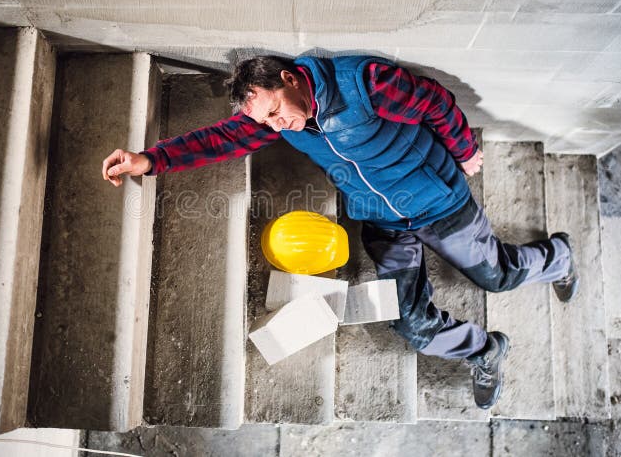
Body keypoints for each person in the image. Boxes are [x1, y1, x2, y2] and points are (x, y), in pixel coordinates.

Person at [101, 55, 579, 409]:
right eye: (266, 121)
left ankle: (558, 256)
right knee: (409, 323)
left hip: (439, 202)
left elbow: (434, 101)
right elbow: (224, 138)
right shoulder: (283, 121)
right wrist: (151, 160)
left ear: (290, 79)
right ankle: (486, 350)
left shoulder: (365, 83)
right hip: (383, 221)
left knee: (496, 276)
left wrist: (464, 148)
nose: (277, 125)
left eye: (275, 111)